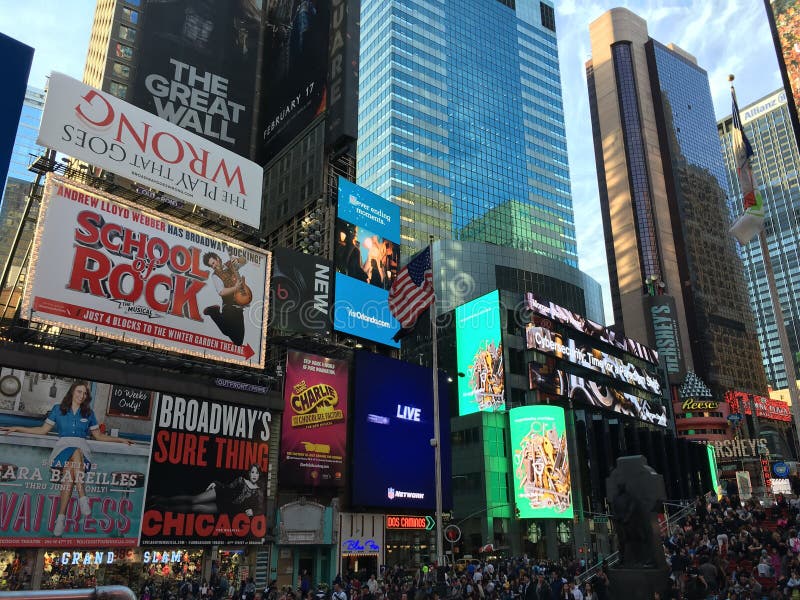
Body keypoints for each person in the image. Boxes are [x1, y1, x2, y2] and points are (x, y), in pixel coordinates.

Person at [0, 380, 134, 536]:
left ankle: (61, 518)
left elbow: (99, 436)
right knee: (75, 452)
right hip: (62, 449)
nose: (82, 396)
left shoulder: (88, 413)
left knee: (70, 475)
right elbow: (42, 430)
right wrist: (17, 428)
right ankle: (82, 496)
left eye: (85, 393)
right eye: (79, 392)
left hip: (82, 452)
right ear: (72, 392)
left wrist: (120, 439)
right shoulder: (58, 409)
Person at [149, 463, 265, 516]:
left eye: (257, 473)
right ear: (249, 473)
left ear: (259, 475)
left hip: (227, 507)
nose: (254, 475)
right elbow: (228, 487)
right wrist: (216, 483)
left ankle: (162, 508)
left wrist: (253, 512)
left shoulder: (258, 492)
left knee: (196, 508)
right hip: (221, 494)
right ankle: (162, 500)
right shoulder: (241, 480)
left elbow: (261, 509)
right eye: (252, 472)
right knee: (193, 500)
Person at [202, 252, 249, 346]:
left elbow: (245, 260)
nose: (213, 266)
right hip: (228, 307)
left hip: (239, 307)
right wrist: (235, 288)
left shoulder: (230, 264)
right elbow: (221, 292)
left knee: (238, 341)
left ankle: (214, 312)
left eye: (213, 263)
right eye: (211, 265)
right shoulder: (215, 275)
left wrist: (238, 259)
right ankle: (213, 312)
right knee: (230, 333)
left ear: (217, 258)